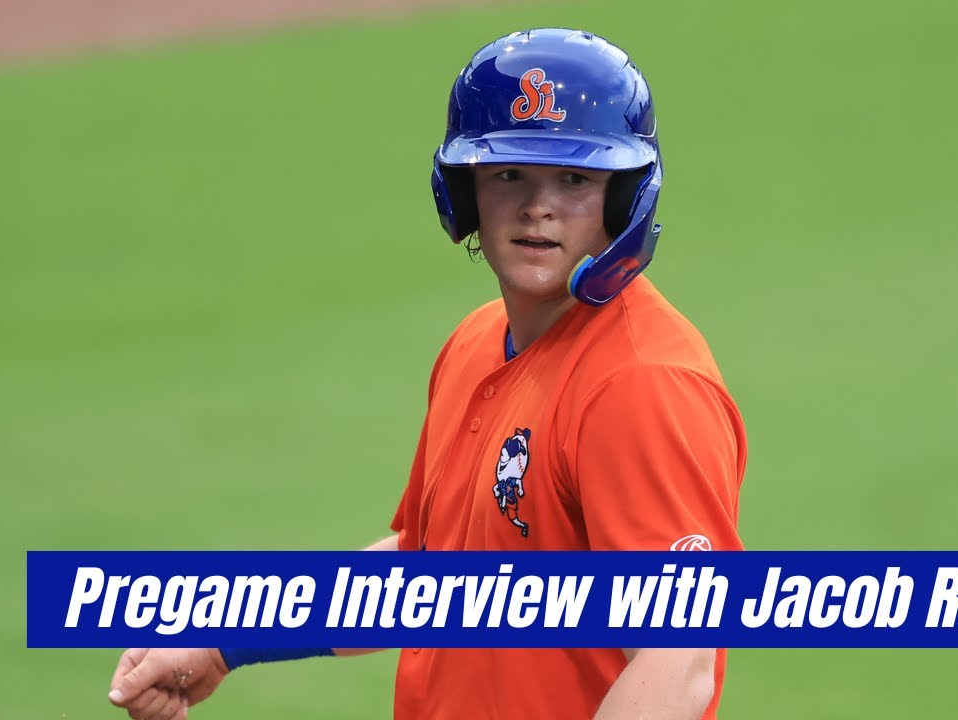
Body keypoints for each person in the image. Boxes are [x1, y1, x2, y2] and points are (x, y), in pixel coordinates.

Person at [107, 27, 747, 720]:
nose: (540, 206)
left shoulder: (640, 384)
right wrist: (226, 640)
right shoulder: (475, 345)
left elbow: (677, 662)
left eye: (575, 178)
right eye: (509, 174)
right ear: (464, 192)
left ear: (626, 200)